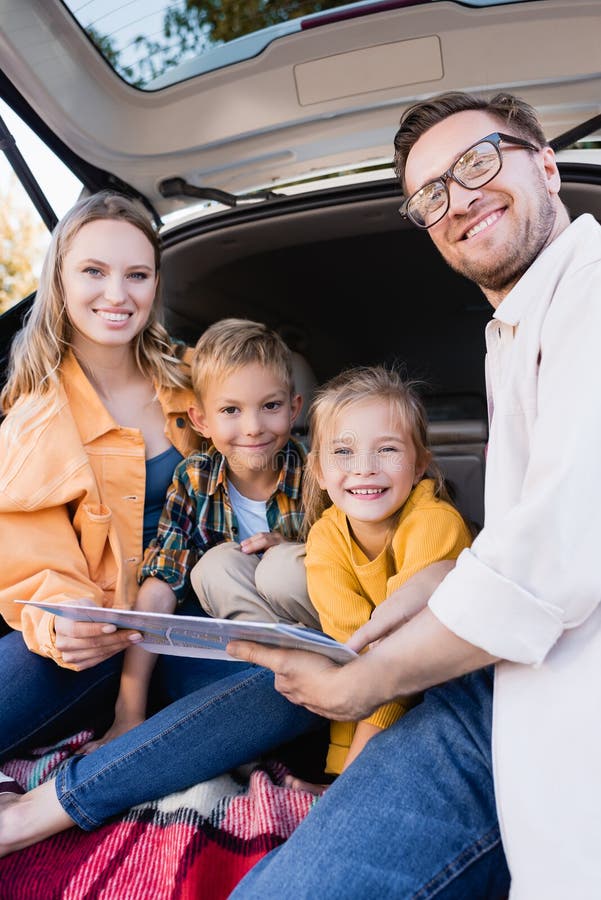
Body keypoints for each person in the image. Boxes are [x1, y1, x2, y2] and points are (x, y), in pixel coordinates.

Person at [226, 90, 601, 899]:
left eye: (477, 163)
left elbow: (552, 561)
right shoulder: (511, 333)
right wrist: (435, 587)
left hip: (568, 706)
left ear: (545, 163)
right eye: (430, 195)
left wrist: (370, 680)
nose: (458, 199)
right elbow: (522, 540)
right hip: (491, 690)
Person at [0, 194, 320, 854]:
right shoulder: (35, 415)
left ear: (155, 282)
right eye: (93, 271)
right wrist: (62, 618)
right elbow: (27, 553)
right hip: (93, 635)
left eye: (137, 275)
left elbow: (277, 466)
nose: (117, 294)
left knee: (296, 680)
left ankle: (43, 809)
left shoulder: (194, 377)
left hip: (210, 622)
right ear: (59, 278)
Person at [83, 317, 312, 753]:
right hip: (236, 645)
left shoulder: (317, 476)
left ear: (294, 407)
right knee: (216, 568)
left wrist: (298, 549)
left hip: (314, 631)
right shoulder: (194, 479)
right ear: (200, 420)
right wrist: (128, 710)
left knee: (284, 566)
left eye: (270, 406)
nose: (252, 427)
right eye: (231, 410)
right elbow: (160, 584)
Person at [284, 365, 472, 794]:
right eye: (343, 452)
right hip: (368, 702)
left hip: (437, 692)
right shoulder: (326, 535)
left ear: (420, 462)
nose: (364, 468)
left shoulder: (434, 523)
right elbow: (350, 647)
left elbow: (400, 655)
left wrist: (348, 782)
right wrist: (338, 771)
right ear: (317, 470)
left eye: (386, 449)